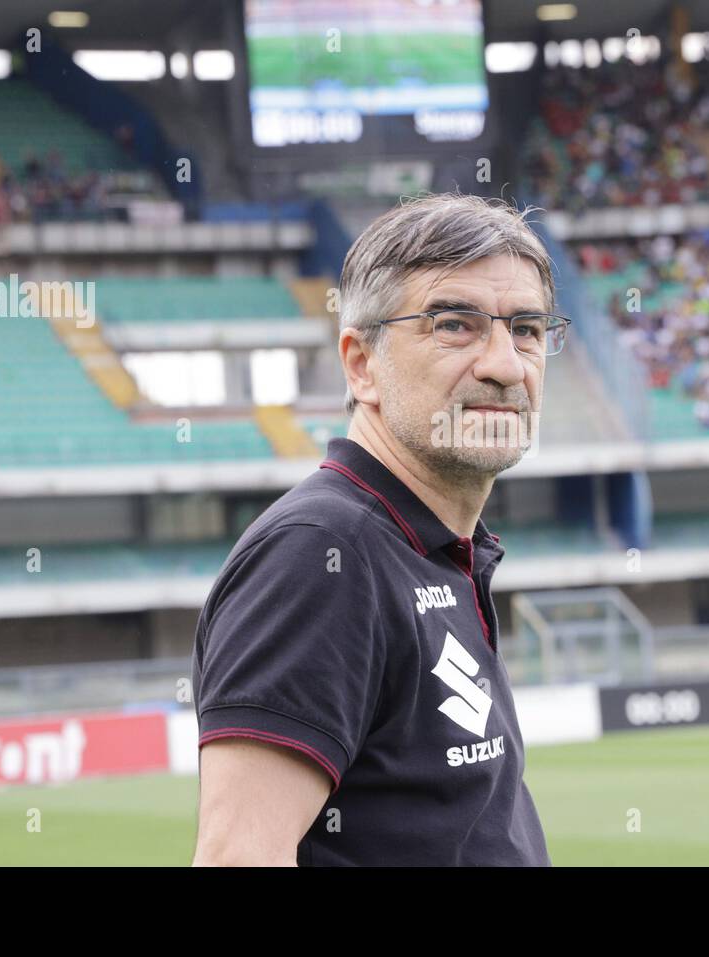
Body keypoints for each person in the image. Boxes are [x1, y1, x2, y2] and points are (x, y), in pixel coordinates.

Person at [191, 194, 556, 866]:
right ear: (362, 364)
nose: (506, 366)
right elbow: (237, 857)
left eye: (526, 329)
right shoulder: (323, 553)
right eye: (455, 324)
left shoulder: (432, 550)